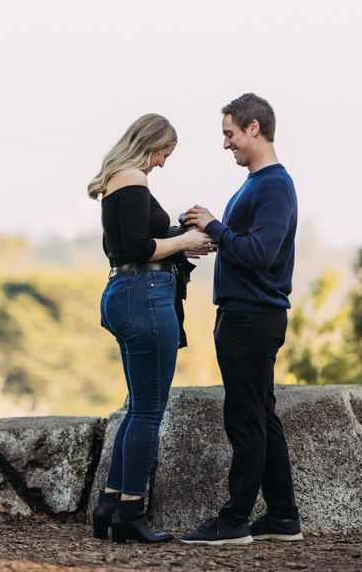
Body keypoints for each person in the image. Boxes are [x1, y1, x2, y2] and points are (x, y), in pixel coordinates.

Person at [180, 93, 302, 545]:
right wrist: (213, 235)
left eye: (230, 134)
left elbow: (261, 253)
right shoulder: (259, 184)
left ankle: (233, 521)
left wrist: (215, 226)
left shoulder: (272, 185)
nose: (226, 144)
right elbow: (245, 245)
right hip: (247, 315)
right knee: (262, 415)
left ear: (254, 128)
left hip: (252, 319)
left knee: (244, 419)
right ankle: (283, 516)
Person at [86, 113, 215, 544]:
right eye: (163, 152)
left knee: (138, 405)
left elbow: (130, 243)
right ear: (149, 144)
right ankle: (131, 512)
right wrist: (184, 242)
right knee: (147, 412)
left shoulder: (115, 182)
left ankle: (109, 503)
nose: (162, 162)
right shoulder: (133, 181)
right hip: (145, 295)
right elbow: (139, 247)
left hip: (124, 291)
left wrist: (187, 236)